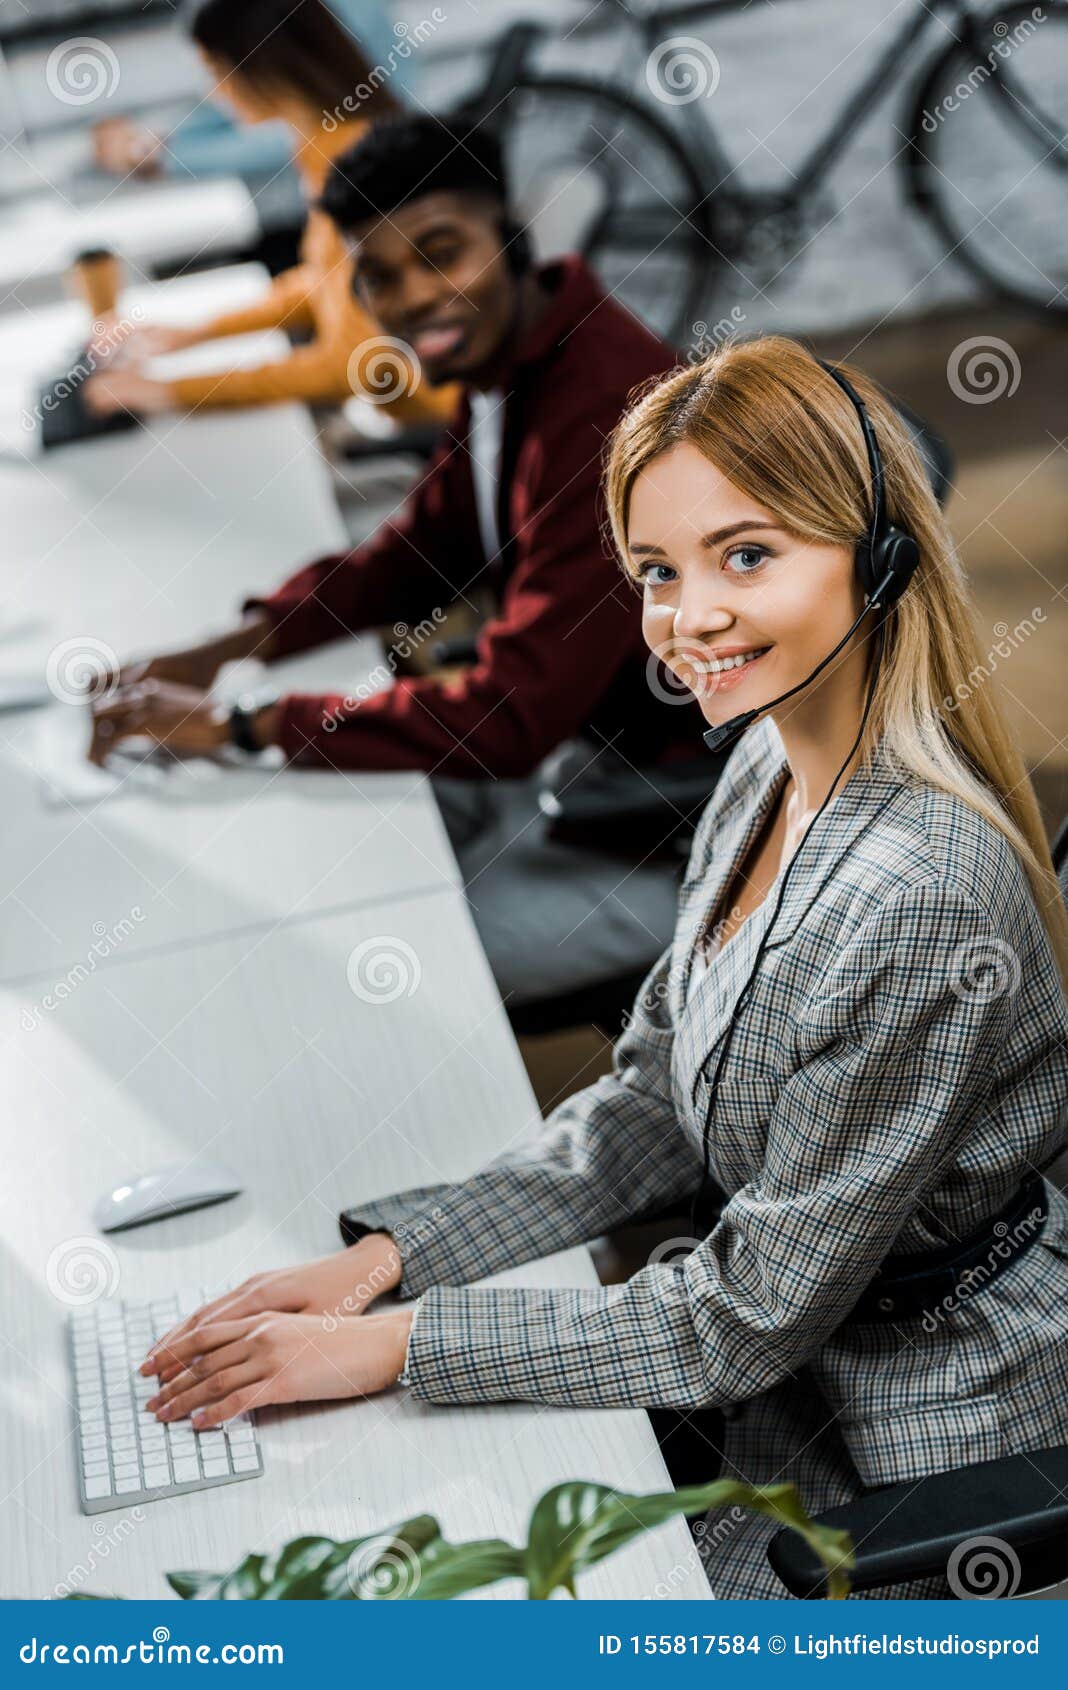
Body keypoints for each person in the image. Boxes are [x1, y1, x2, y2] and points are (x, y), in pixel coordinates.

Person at [136, 337, 1068, 1599]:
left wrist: (395, 1348)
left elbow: (745, 1315)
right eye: (656, 571)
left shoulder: (919, 895)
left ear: (880, 558)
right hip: (784, 1377)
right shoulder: (762, 766)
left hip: (920, 1447)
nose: (691, 621)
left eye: (748, 555)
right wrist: (383, 1263)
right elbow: (647, 1102)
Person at [87, 113, 702, 1008]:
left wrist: (244, 724)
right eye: (378, 277)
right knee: (336, 848)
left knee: (396, 963)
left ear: (512, 239)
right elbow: (417, 552)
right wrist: (230, 648)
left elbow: (511, 719)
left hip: (695, 820)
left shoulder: (606, 409)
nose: (412, 298)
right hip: (588, 760)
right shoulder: (514, 365)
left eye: (442, 253)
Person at [84, 0, 450, 423]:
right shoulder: (325, 145)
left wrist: (167, 392)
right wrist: (197, 332)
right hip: (399, 406)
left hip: (438, 413)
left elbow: (350, 366)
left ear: (263, 67)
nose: (213, 91)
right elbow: (325, 286)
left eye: (215, 71)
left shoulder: (353, 167)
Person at [90, 2, 405, 194]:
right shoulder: (319, 148)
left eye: (216, 73)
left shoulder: (346, 160)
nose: (213, 91)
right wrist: (161, 140)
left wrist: (168, 157)